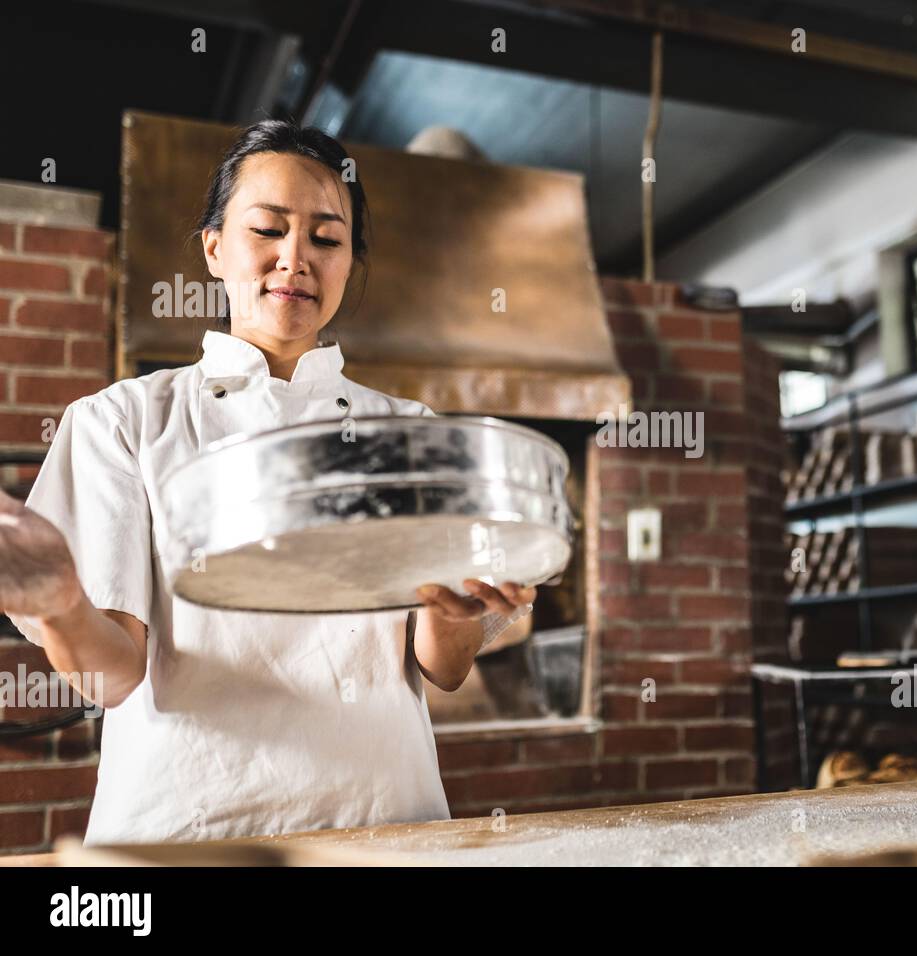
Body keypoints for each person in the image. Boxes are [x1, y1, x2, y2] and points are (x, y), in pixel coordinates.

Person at [0, 120, 535, 844]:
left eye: (325, 238)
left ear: (349, 263)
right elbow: (113, 678)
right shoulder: (124, 422)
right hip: (190, 832)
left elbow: (439, 667)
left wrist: (464, 613)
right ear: (215, 249)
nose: (296, 259)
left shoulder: (409, 433)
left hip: (384, 824)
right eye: (268, 230)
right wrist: (63, 605)